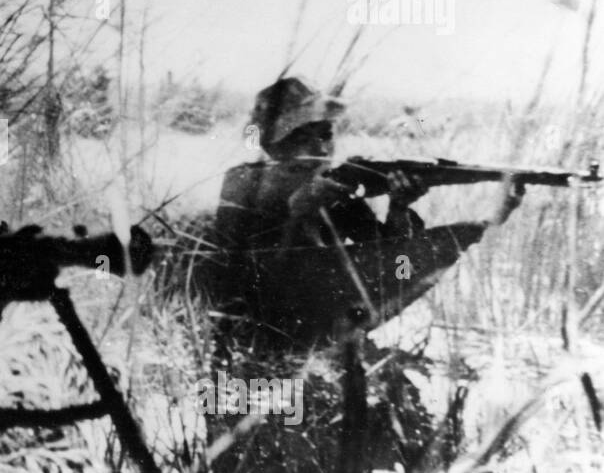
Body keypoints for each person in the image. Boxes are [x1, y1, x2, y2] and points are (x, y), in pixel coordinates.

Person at [209, 76, 524, 347]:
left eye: (326, 134)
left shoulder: (331, 189)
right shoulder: (245, 182)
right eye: (302, 138)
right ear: (273, 145)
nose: (321, 149)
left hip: (319, 324)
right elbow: (236, 273)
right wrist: (299, 213)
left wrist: (399, 208)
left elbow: (394, 268)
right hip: (258, 327)